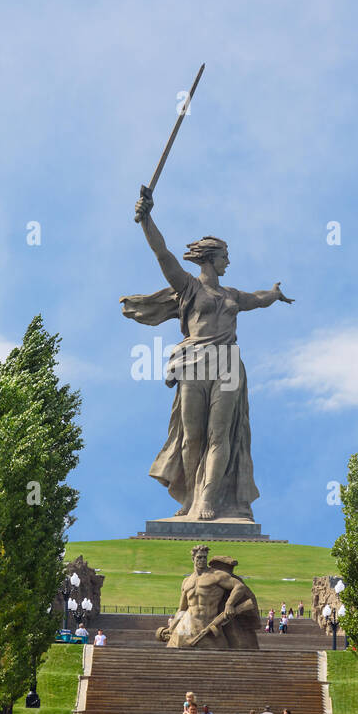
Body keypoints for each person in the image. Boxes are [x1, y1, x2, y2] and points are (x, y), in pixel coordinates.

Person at [123, 190, 293, 522]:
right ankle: (189, 498)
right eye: (225, 256)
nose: (228, 262)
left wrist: (274, 293)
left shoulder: (232, 294)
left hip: (228, 365)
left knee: (220, 434)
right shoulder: (188, 287)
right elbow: (163, 254)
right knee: (192, 437)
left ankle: (209, 500)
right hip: (194, 362)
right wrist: (147, 219)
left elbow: (257, 299)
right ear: (210, 258)